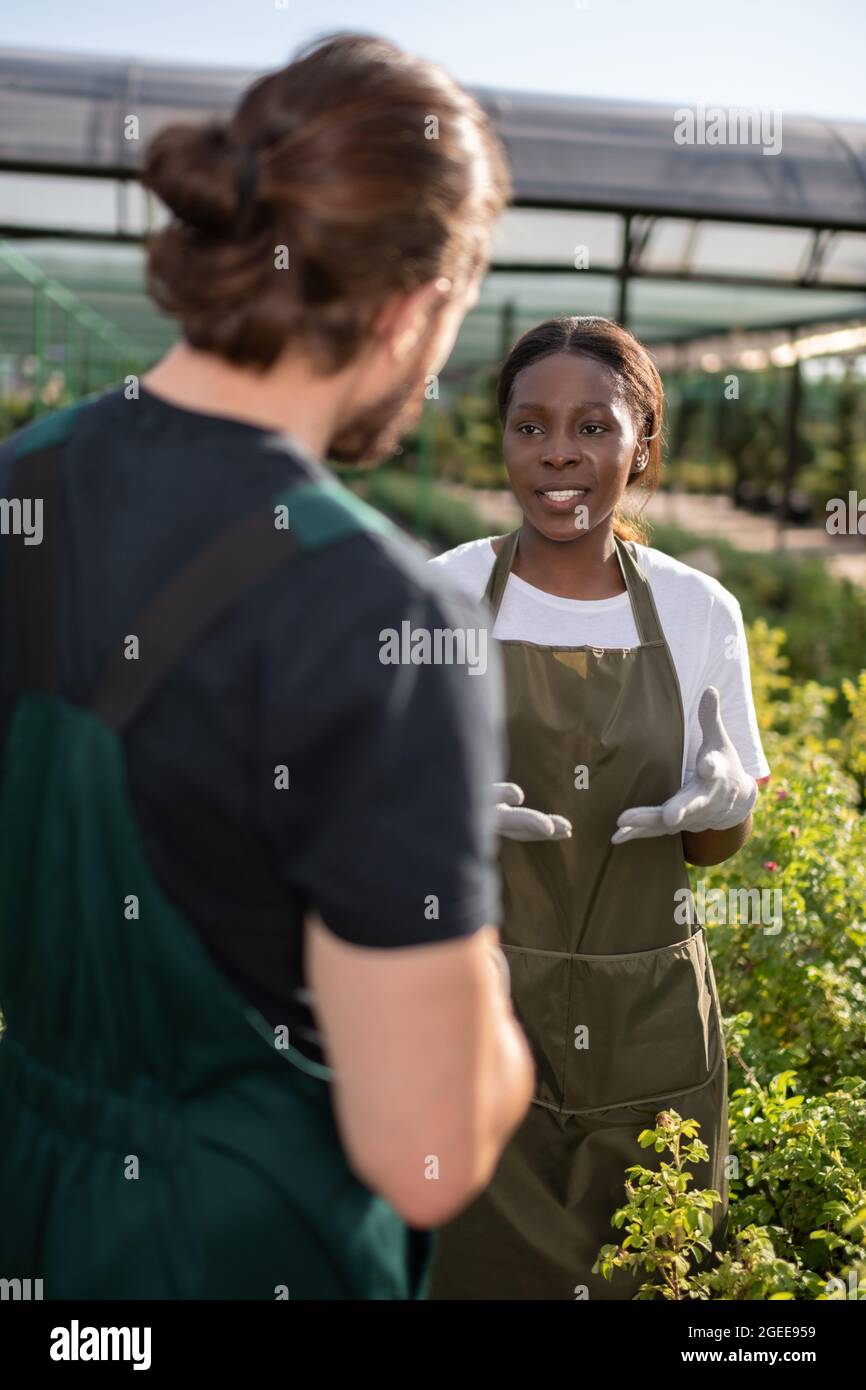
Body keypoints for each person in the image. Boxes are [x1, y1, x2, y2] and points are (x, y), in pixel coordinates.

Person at [0, 32, 535, 1300]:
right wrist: (487, 981)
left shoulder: (22, 483)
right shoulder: (380, 618)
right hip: (239, 1253)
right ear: (412, 304)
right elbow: (424, 1150)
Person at [426, 315, 772, 1300]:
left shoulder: (698, 610)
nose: (557, 455)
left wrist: (718, 800)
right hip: (476, 1005)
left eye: (591, 427)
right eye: (528, 427)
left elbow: (711, 845)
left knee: (643, 1277)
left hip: (647, 1024)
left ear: (641, 443)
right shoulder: (446, 592)